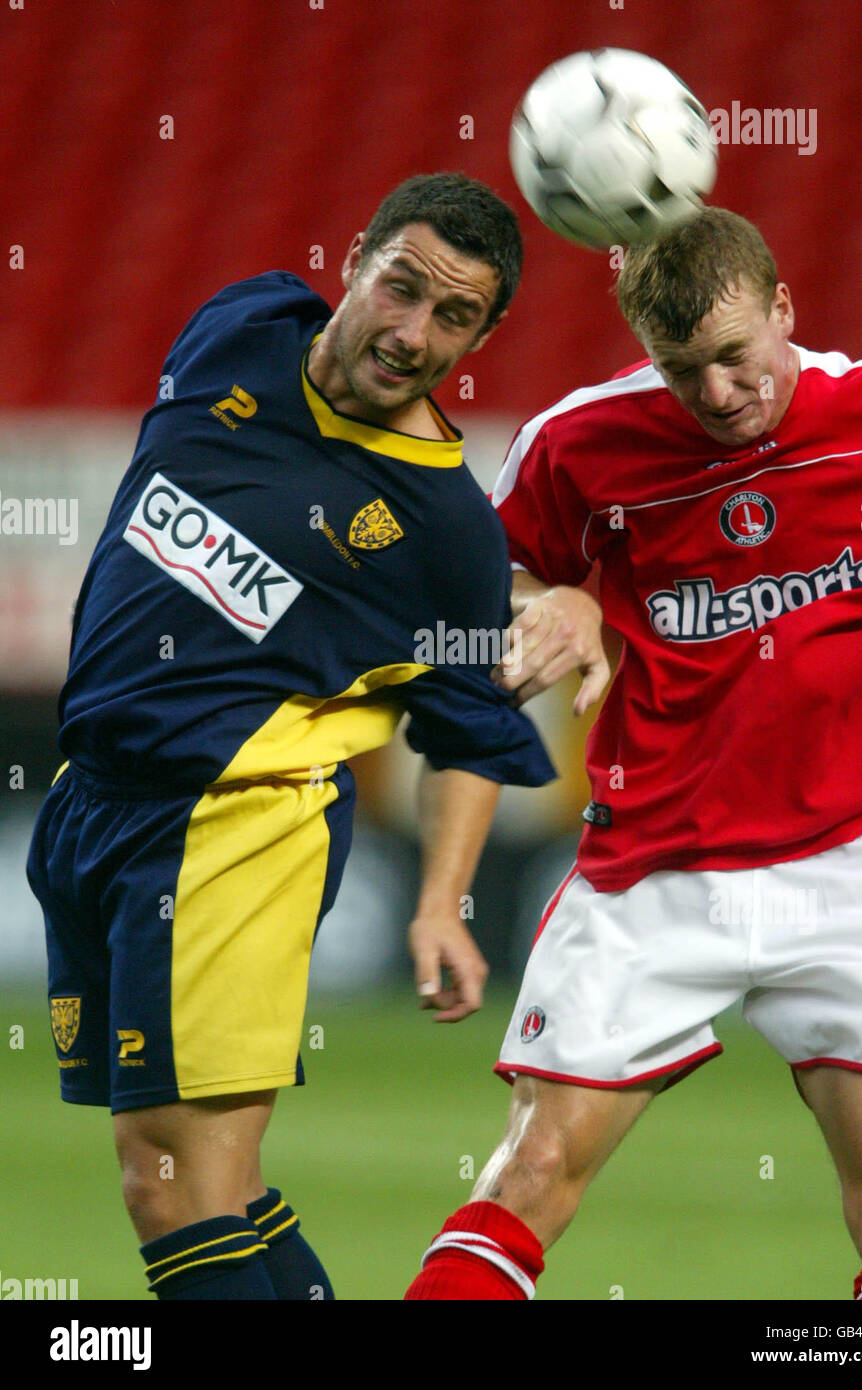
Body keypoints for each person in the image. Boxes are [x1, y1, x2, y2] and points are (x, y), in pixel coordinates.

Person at [26, 172, 554, 1301]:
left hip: (234, 827)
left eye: (453, 316)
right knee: (209, 1182)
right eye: (401, 287)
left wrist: (438, 900)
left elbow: (469, 724)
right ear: (356, 257)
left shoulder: (441, 525)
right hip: (90, 802)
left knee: (172, 1186)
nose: (414, 333)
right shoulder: (243, 325)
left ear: (483, 332)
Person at [405, 207, 862, 1302]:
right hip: (654, 859)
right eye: (684, 371)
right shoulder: (581, 441)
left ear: (785, 308)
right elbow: (465, 588)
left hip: (857, 853)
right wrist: (546, 597)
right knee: (531, 1170)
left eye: (738, 359)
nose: (719, 396)